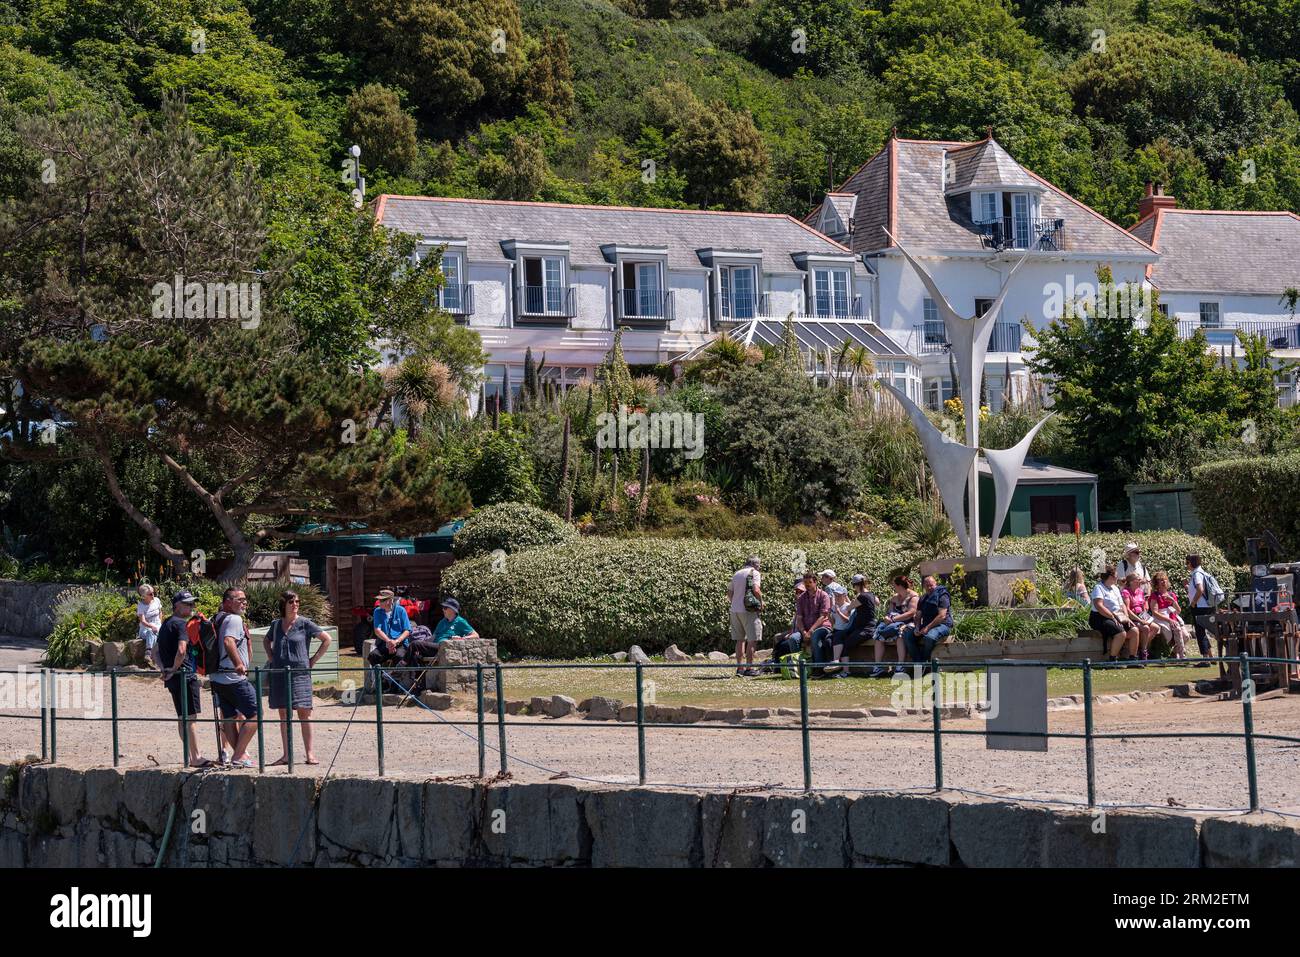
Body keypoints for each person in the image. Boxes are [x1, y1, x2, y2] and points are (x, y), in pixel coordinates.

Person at [265, 589, 330, 766]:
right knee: (284, 715)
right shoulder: (276, 624)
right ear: (284, 604)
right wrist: (271, 658)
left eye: (297, 602)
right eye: (291, 602)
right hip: (279, 674)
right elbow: (266, 640)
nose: (295, 605)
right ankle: (286, 755)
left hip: (300, 674)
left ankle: (310, 754)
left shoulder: (305, 623)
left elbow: (327, 639)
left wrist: (313, 660)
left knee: (305, 713)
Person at [156, 590, 210, 767]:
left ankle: (190, 755)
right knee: (191, 717)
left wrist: (165, 668)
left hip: (173, 678)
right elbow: (181, 650)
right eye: (187, 603)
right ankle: (196, 757)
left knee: (182, 717)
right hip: (185, 676)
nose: (191, 606)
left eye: (192, 603)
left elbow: (154, 652)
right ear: (176, 606)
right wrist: (174, 668)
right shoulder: (180, 624)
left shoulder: (166, 623)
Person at [210, 587, 258, 767]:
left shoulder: (217, 618)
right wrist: (239, 663)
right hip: (233, 677)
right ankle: (238, 756)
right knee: (255, 715)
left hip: (217, 677)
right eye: (240, 599)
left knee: (229, 716)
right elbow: (228, 641)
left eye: (245, 599)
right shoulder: (234, 619)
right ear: (228, 601)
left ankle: (240, 755)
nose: (244, 602)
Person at [824, 574, 877, 677]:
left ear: (856, 585)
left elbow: (848, 608)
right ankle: (836, 662)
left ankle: (845, 671)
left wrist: (847, 598)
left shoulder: (862, 596)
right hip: (864, 627)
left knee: (846, 644)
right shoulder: (870, 594)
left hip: (866, 629)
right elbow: (877, 602)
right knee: (840, 635)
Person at [901, 575, 951, 672]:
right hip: (927, 625)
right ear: (924, 586)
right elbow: (918, 615)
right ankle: (918, 662)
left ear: (935, 584)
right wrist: (917, 627)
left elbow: (942, 616)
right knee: (907, 636)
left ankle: (924, 660)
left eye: (931, 585)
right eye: (927, 586)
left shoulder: (943, 595)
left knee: (929, 637)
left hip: (943, 625)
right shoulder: (923, 598)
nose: (929, 588)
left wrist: (927, 628)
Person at [1091, 566, 1139, 665]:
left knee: (1134, 630)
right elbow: (1099, 606)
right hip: (1100, 617)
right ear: (1110, 576)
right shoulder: (1098, 588)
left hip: (1117, 616)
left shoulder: (1115, 588)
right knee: (1121, 633)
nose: (1118, 577)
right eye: (1116, 575)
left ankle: (1132, 659)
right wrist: (1112, 617)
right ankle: (1112, 660)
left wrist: (1126, 617)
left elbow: (1122, 605)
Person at [871, 575, 917, 677]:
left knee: (900, 634)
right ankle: (877, 667)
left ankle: (901, 665)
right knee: (878, 635)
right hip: (893, 623)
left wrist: (893, 619)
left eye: (894, 585)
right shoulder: (895, 598)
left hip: (909, 622)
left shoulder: (913, 597)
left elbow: (911, 613)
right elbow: (890, 612)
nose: (893, 587)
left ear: (899, 585)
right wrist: (888, 618)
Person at [726, 556, 763, 677]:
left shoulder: (737, 574)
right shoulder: (754, 573)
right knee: (752, 639)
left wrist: (735, 602)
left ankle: (739, 668)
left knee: (740, 640)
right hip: (749, 610)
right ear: (755, 565)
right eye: (759, 565)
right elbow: (756, 590)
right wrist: (761, 603)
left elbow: (729, 593)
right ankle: (749, 668)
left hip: (734, 610)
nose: (760, 567)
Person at [410, 598, 479, 661]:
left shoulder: (460, 621)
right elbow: (433, 637)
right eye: (443, 608)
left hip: (443, 647)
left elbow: (476, 635)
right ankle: (407, 672)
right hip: (434, 647)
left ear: (452, 610)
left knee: (415, 644)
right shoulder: (442, 621)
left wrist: (461, 638)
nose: (443, 610)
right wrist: (424, 643)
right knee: (415, 652)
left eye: (445, 608)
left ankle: (401, 666)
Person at [367, 588, 413, 676]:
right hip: (385, 643)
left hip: (400, 644)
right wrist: (388, 641)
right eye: (379, 599)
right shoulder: (377, 611)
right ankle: (380, 682)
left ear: (390, 600)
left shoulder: (400, 610)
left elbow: (407, 631)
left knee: (399, 657)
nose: (379, 602)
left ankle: (394, 684)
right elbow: (377, 630)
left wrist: (396, 642)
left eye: (382, 600)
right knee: (373, 656)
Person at [793, 571, 833, 665]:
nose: (807, 585)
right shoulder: (801, 598)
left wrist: (810, 631)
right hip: (805, 630)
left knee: (815, 636)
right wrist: (803, 632)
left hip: (823, 627)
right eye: (805, 583)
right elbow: (799, 618)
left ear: (815, 582)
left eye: (810, 582)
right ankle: (798, 668)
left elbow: (823, 616)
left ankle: (818, 667)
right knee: (793, 638)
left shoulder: (823, 596)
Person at [1147, 571, 1188, 659]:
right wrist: (1169, 620)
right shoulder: (1155, 595)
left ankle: (1174, 653)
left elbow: (1178, 611)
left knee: (1186, 636)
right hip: (1162, 618)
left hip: (1174, 618)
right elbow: (1155, 612)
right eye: (1161, 580)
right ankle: (1181, 655)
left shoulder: (1171, 594)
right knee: (1170, 634)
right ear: (1156, 584)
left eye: (1165, 579)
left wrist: (1173, 601)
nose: (1164, 582)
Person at [1185, 554, 1214, 666]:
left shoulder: (1197, 574)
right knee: (1203, 631)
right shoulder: (1202, 572)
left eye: (1187, 563)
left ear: (1191, 563)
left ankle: (1205, 659)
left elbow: (1200, 590)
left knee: (1200, 632)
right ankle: (1211, 657)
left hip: (1200, 607)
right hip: (1207, 605)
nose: (1186, 565)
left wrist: (1193, 602)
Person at [1121, 573, 1156, 661]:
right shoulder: (1125, 592)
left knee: (1156, 628)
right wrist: (1140, 620)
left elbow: (1143, 606)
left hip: (1141, 615)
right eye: (1138, 579)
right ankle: (1143, 651)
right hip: (1133, 617)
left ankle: (1140, 647)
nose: (1140, 581)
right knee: (1145, 628)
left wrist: (1146, 617)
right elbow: (1127, 610)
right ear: (1131, 582)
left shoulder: (1140, 591)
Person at [136, 584, 162, 669]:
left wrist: (160, 623)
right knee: (151, 632)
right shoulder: (141, 605)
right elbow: (142, 621)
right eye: (150, 594)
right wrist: (152, 626)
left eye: (153, 593)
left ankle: (152, 658)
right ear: (144, 596)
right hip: (146, 629)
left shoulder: (157, 600)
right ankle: (149, 653)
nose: (153, 595)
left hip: (157, 626)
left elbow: (160, 612)